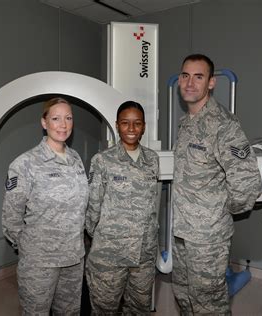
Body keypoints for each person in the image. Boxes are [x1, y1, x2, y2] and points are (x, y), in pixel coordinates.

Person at [171, 54, 262, 315]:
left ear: (211, 83)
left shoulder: (224, 125)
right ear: (179, 80)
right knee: (184, 296)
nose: (190, 83)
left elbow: (247, 183)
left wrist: (219, 213)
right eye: (185, 76)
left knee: (209, 305)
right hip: (182, 233)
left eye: (198, 77)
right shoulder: (186, 123)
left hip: (207, 239)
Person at [2, 97, 89, 315]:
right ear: (44, 122)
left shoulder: (75, 158)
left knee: (69, 312)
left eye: (68, 118)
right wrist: (29, 249)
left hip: (73, 258)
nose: (63, 124)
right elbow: (11, 216)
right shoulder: (25, 164)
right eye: (56, 118)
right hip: (40, 262)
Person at [85, 101, 160, 315]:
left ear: (144, 126)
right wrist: (101, 236)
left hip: (143, 254)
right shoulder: (102, 160)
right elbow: (93, 206)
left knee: (139, 308)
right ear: (117, 125)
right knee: (104, 309)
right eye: (125, 123)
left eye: (137, 123)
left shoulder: (152, 160)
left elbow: (151, 204)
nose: (131, 128)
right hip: (110, 252)